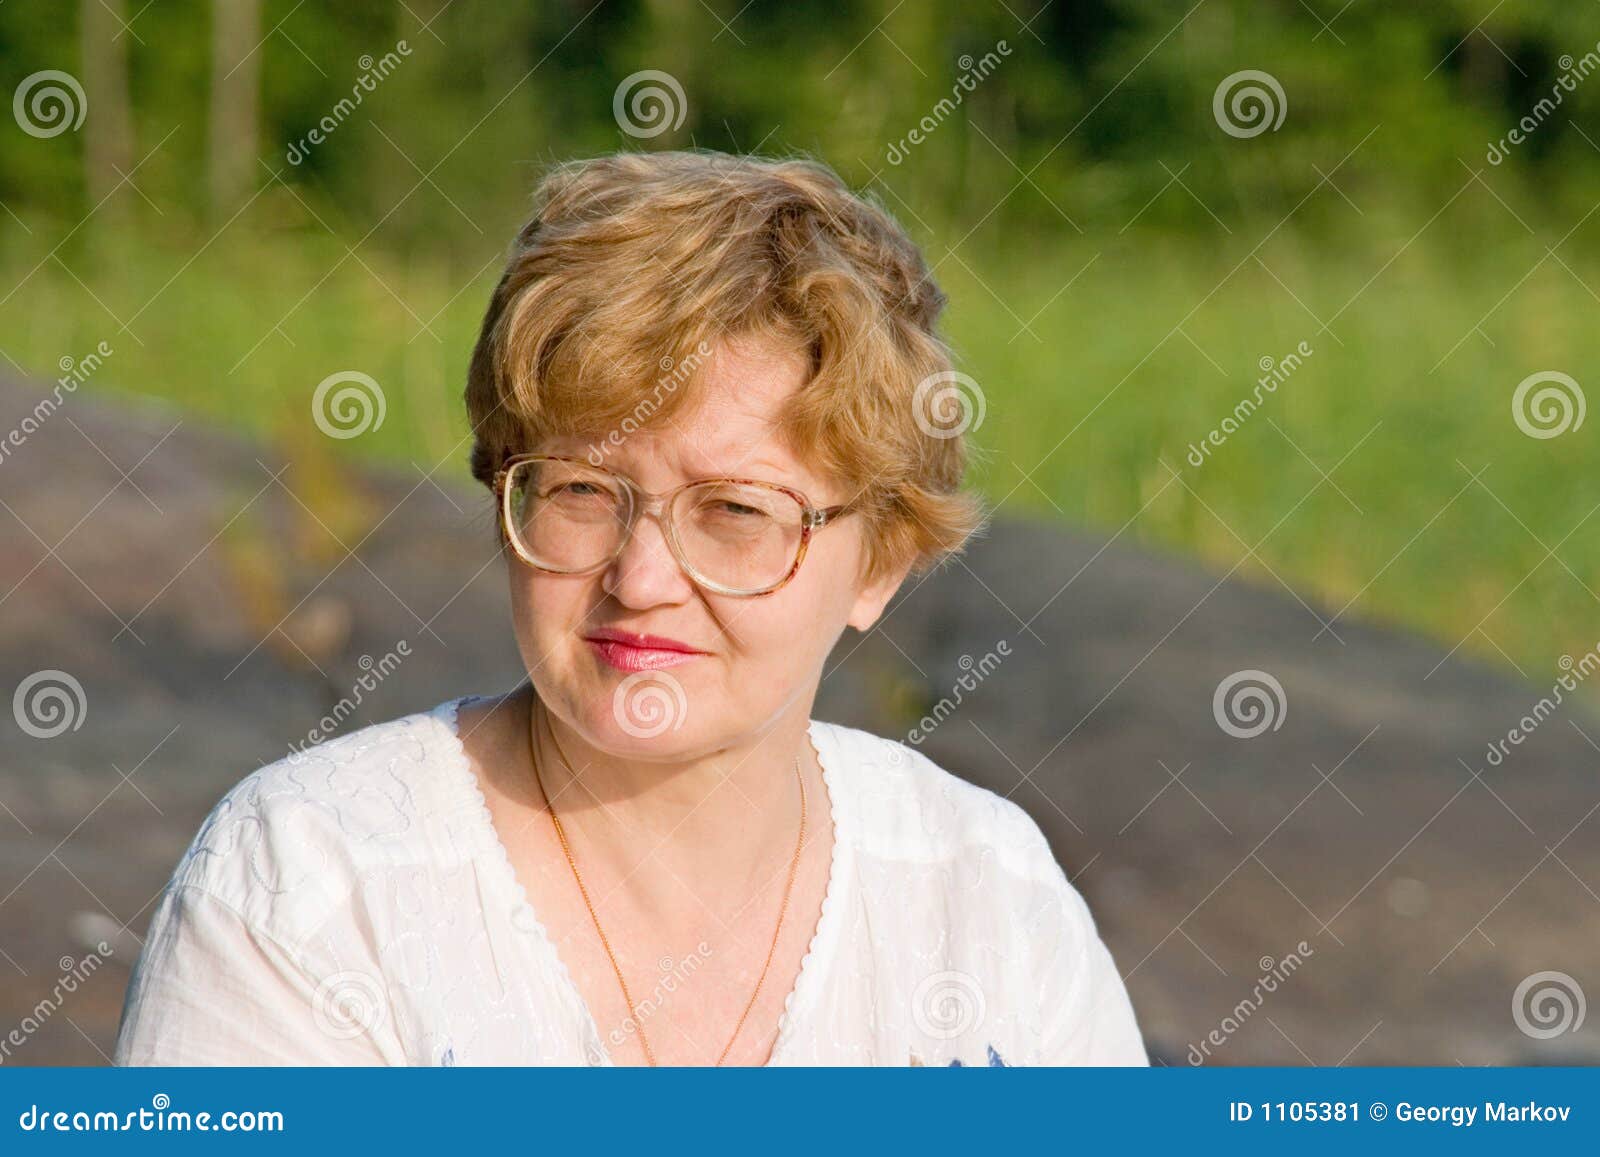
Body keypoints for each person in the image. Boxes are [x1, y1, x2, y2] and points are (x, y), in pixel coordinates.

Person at [113, 151, 1146, 1066]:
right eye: (580, 491)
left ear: (880, 560)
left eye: (736, 511)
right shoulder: (309, 886)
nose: (641, 577)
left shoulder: (987, 895)